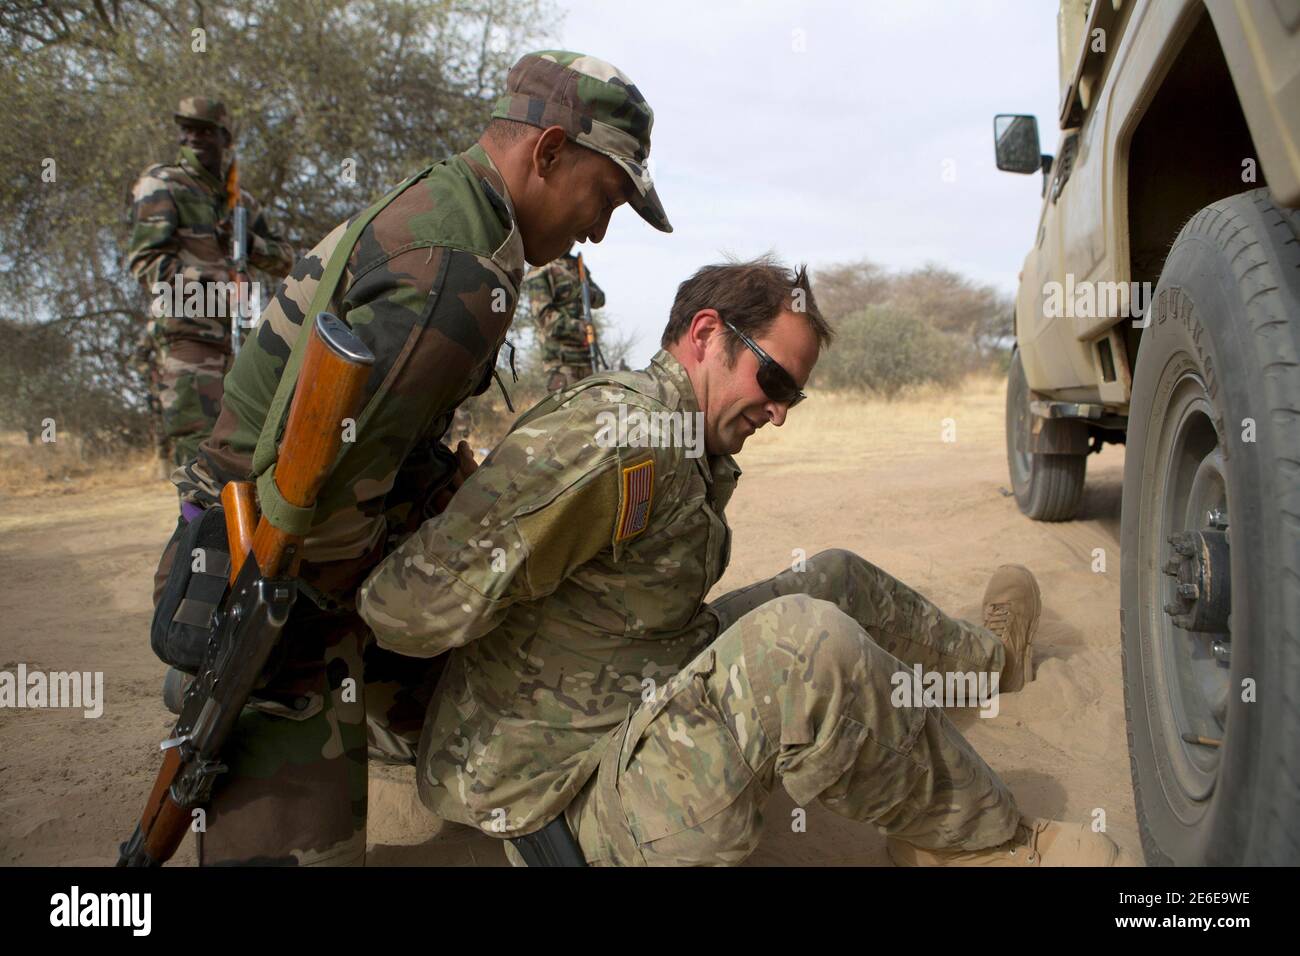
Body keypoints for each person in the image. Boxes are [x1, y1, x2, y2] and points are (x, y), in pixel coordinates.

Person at [357, 257, 1133, 867]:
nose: (780, 412)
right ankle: (983, 843)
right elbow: (406, 611)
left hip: (627, 695)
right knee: (804, 646)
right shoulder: (622, 437)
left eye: (795, 395)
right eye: (773, 380)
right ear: (705, 335)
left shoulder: (679, 434)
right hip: (564, 798)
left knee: (832, 579)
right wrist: (453, 531)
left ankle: (988, 663)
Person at [154, 51, 672, 866]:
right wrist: (449, 591)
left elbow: (391, 450)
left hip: (301, 549)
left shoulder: (462, 213)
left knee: (506, 706)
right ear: (546, 154)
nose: (598, 230)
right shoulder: (455, 270)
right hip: (273, 593)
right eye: (603, 197)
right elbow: (320, 523)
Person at [127, 97, 295, 470]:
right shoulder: (163, 184)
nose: (194, 138)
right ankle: (196, 529)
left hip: (241, 342)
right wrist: (217, 288)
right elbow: (147, 264)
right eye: (187, 130)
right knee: (198, 457)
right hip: (188, 340)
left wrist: (249, 245)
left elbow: (287, 259)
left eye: (204, 130)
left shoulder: (241, 204)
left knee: (249, 449)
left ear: (225, 138)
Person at [523, 245, 605, 390]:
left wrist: (590, 294)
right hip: (562, 363)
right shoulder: (540, 269)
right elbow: (545, 319)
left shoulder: (577, 266)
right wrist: (580, 327)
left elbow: (601, 299)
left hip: (587, 358)